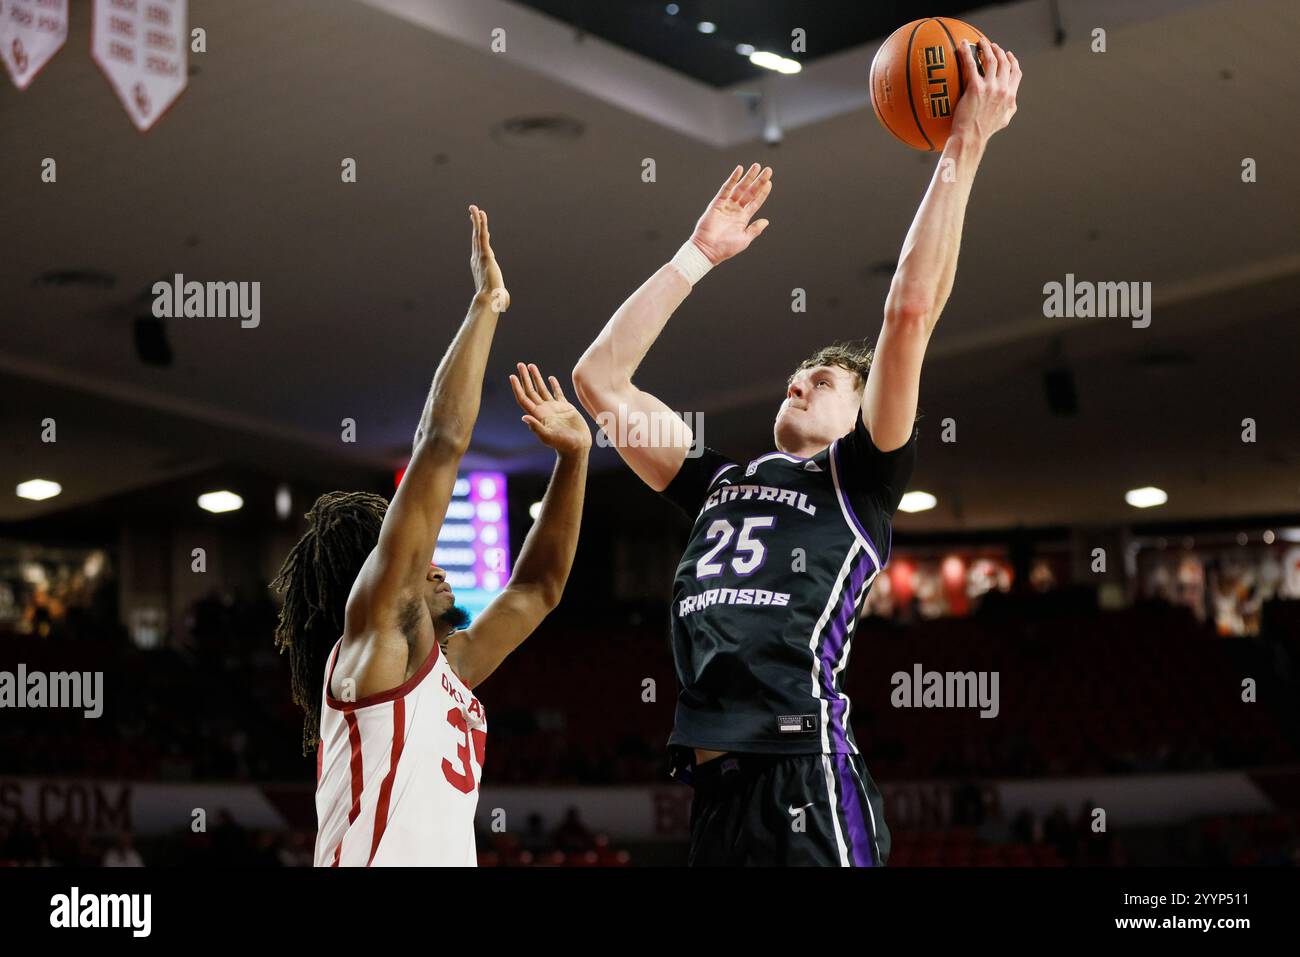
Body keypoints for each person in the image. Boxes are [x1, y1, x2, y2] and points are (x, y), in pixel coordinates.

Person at [572, 38, 1021, 866]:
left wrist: (964, 145)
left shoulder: (860, 477)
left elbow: (909, 312)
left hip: (801, 773)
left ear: (862, 412)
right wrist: (695, 257)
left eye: (821, 379)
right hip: (713, 791)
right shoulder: (716, 483)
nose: (798, 383)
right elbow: (601, 382)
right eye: (792, 376)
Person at [273, 207, 591, 866]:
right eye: (422, 564)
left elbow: (538, 588)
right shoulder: (378, 634)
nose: (438, 568)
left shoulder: (445, 671)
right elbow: (440, 443)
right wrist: (486, 304)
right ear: (378, 574)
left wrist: (575, 458)